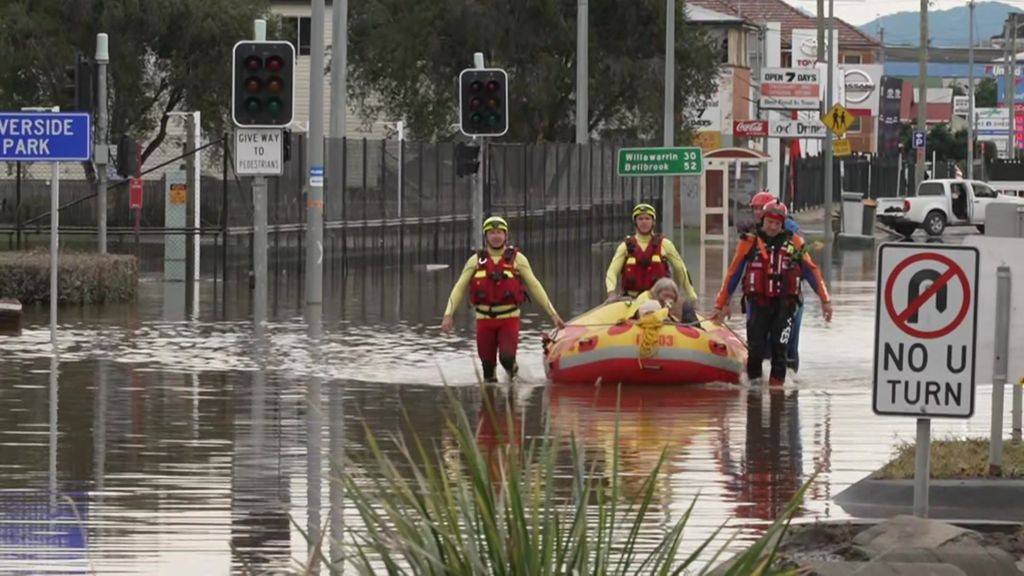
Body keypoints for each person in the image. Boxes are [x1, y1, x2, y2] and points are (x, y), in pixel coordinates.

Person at [710, 202, 832, 386]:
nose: (773, 227)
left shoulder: (795, 243)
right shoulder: (749, 243)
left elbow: (812, 272)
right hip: (758, 305)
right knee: (756, 350)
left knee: (780, 350)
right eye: (769, 222)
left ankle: (777, 395)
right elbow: (733, 274)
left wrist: (825, 301)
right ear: (763, 220)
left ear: (783, 224)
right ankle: (753, 391)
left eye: (777, 223)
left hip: (785, 307)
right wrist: (721, 304)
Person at [441, 216, 565, 383]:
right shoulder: (475, 261)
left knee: (506, 359)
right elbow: (459, 287)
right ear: (486, 237)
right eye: (491, 233)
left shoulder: (518, 260)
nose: (496, 236)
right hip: (484, 321)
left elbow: (535, 286)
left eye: (499, 232)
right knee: (487, 368)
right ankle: (490, 406)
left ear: (506, 236)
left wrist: (553, 314)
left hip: (509, 319)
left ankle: (517, 385)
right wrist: (448, 314)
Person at [740, 191, 804, 371]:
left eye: (760, 208)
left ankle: (787, 381)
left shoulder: (792, 235)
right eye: (755, 209)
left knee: (785, 345)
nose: (756, 212)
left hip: (786, 298)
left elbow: (808, 268)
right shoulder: (752, 238)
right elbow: (735, 271)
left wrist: (825, 300)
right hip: (759, 298)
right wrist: (722, 303)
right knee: (757, 346)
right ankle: (755, 388)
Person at [605, 203, 699, 314]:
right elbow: (612, 272)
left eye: (647, 218)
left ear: (653, 222)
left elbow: (681, 270)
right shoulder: (625, 246)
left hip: (659, 301)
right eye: (640, 219)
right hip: (631, 300)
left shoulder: (665, 244)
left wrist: (692, 297)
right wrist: (611, 293)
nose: (644, 222)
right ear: (635, 222)